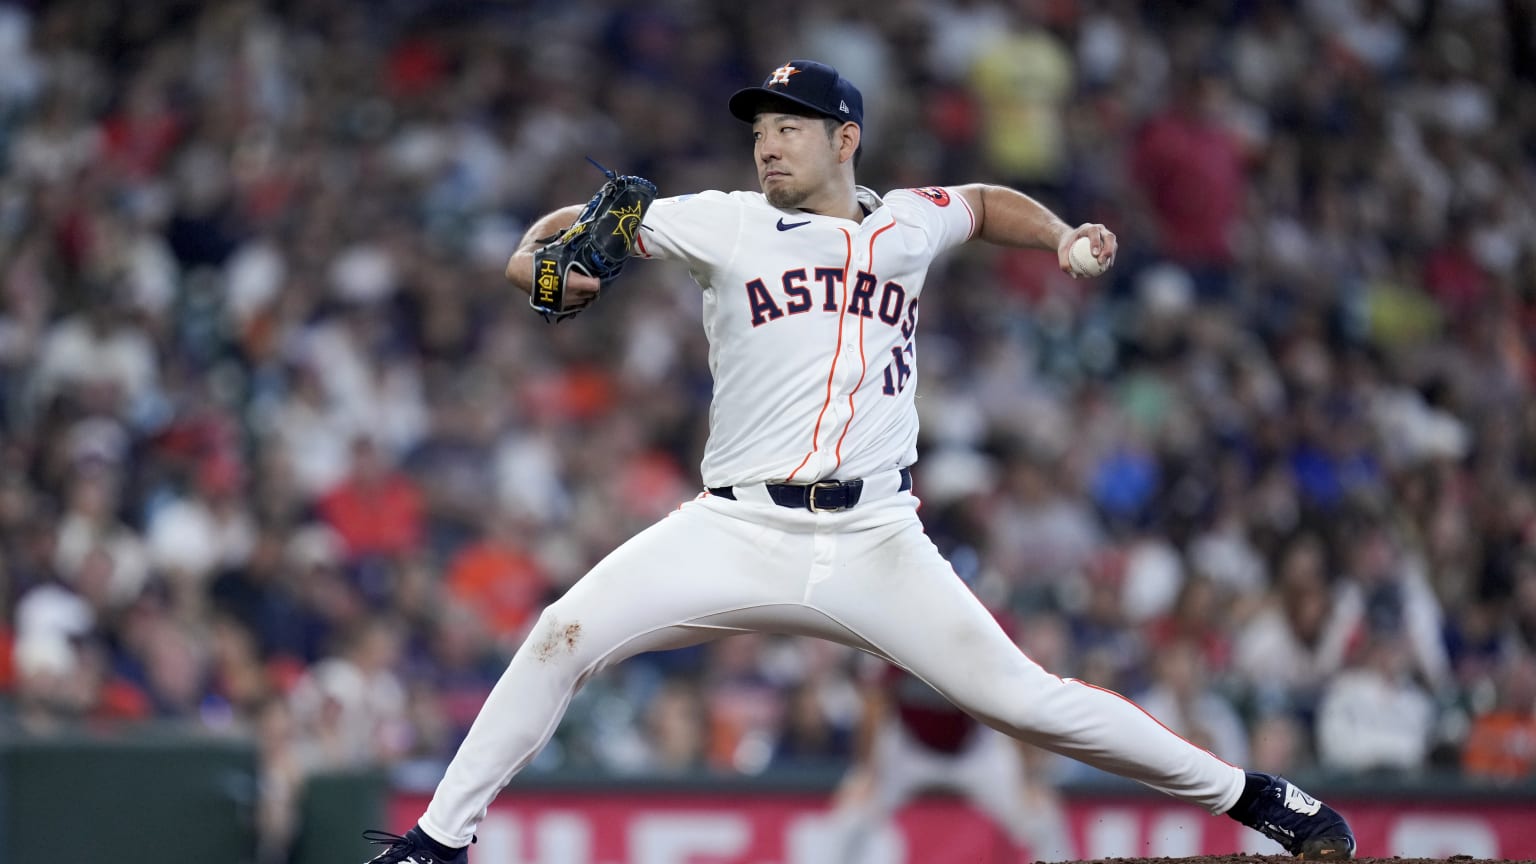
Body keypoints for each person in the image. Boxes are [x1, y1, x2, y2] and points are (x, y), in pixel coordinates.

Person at [362, 59, 1355, 863]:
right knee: (561, 632)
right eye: (759, 127)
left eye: (789, 124)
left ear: (845, 139)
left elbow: (981, 201)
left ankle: (1260, 800)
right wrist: (547, 267)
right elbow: (541, 241)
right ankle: (436, 845)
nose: (767, 141)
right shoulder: (724, 219)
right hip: (736, 527)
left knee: (1027, 703)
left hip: (876, 535)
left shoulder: (906, 221)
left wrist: (1057, 237)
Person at [818, 659, 1076, 863]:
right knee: (852, 814)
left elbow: (1016, 700)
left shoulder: (976, 631)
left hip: (975, 749)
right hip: (909, 748)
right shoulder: (901, 631)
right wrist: (867, 769)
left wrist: (1026, 776)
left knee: (1041, 813)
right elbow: (876, 700)